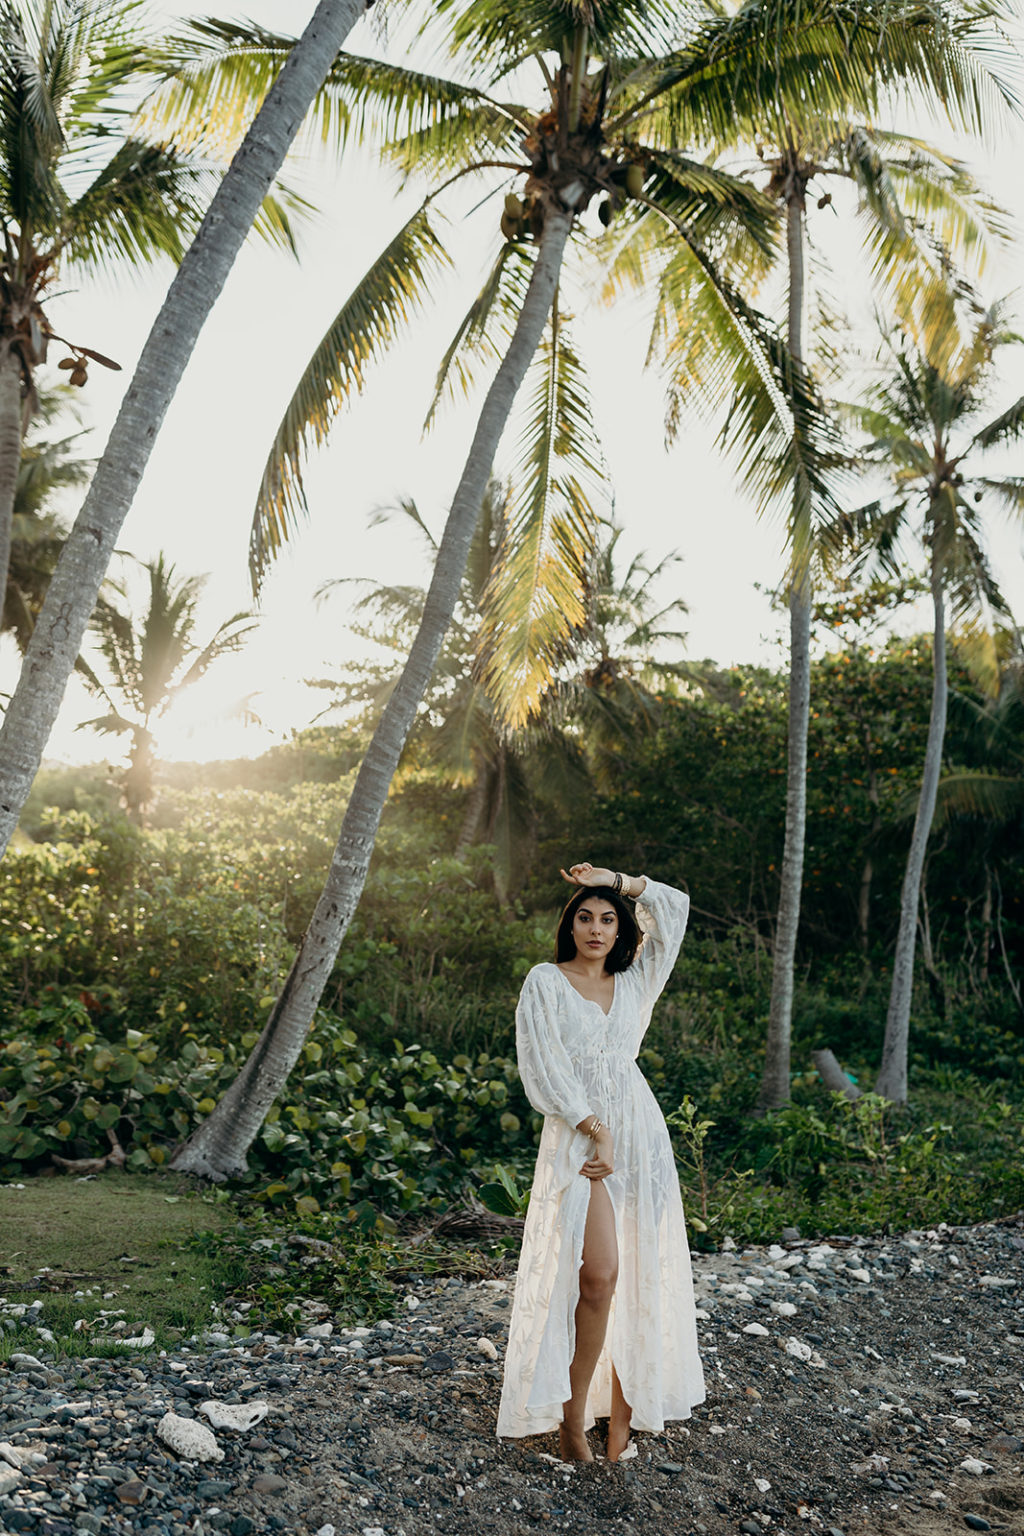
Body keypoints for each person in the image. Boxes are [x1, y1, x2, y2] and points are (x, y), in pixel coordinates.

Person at [496, 862, 705, 1462]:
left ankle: (623, 1420)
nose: (595, 928)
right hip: (583, 1140)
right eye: (585, 917)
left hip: (642, 1137)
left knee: (639, 1277)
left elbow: (677, 906)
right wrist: (594, 1129)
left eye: (608, 919)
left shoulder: (637, 981)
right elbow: (545, 1069)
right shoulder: (545, 981)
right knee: (599, 1276)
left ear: (621, 930)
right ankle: (569, 1417)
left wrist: (621, 880)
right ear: (570, 925)